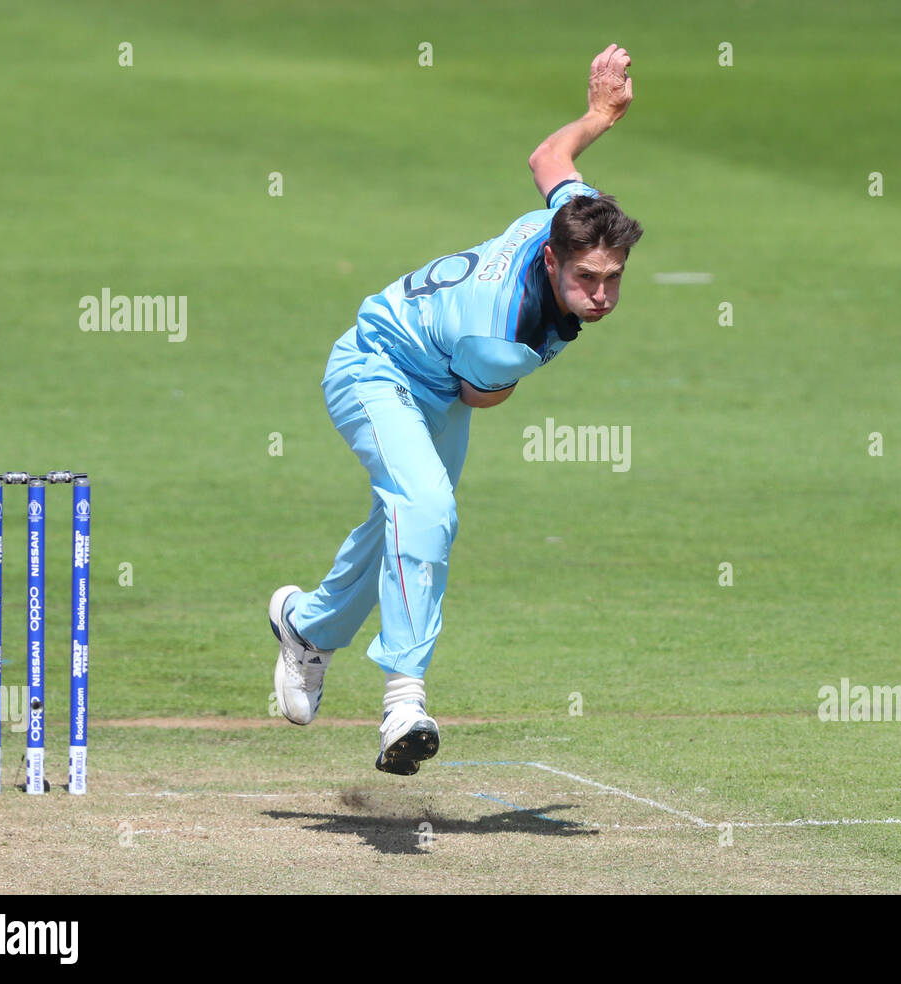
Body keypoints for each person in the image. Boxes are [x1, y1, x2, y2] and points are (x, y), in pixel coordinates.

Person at [268, 44, 644, 775]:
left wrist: (600, 114)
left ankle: (305, 627)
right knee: (428, 508)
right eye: (586, 278)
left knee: (400, 519)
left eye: (613, 279)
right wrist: (524, 358)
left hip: (436, 380)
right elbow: (484, 394)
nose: (601, 294)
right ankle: (403, 702)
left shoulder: (573, 216)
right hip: (376, 370)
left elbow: (548, 155)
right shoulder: (501, 336)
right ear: (550, 262)